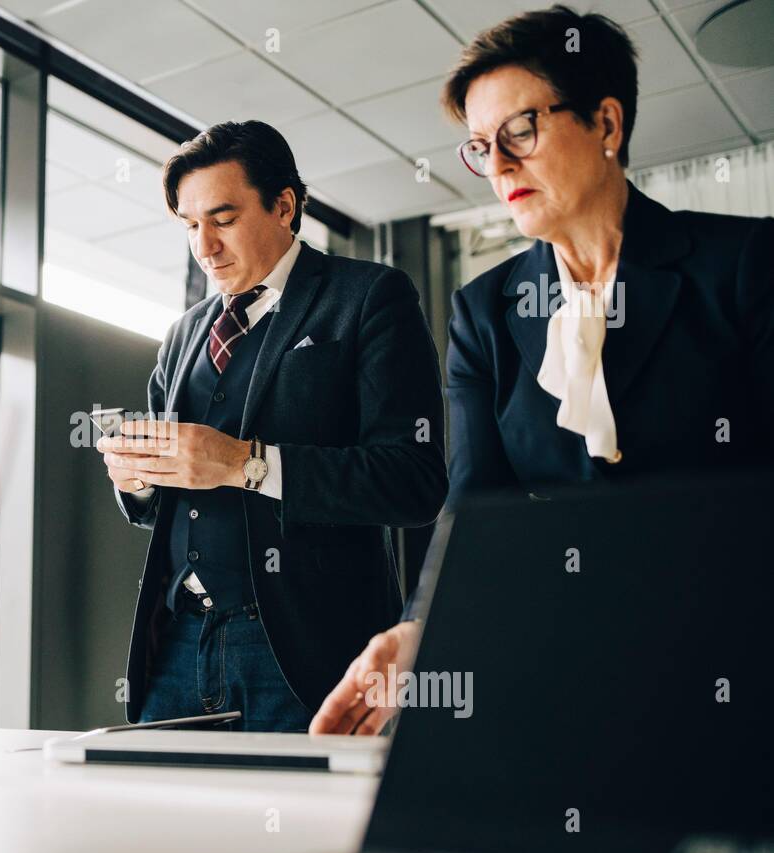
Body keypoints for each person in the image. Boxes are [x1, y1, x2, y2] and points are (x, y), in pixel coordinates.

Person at [312, 5, 774, 736]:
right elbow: (474, 505)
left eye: (520, 131)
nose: (496, 166)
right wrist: (422, 631)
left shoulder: (744, 267)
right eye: (478, 146)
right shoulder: (484, 313)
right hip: (568, 680)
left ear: (607, 125)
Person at [97, 121, 446, 733]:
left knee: (308, 828)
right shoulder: (182, 335)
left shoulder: (369, 297)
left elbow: (413, 480)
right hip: (177, 643)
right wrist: (139, 480)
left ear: (285, 206)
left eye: (223, 218)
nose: (204, 247)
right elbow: (162, 508)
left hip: (304, 649)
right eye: (189, 225)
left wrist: (244, 462)